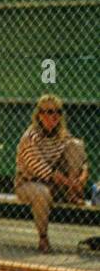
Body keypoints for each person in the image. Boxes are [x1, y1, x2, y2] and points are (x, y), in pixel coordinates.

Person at [15, 94, 89, 253]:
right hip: (29, 182)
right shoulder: (30, 137)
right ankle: (43, 237)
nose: (54, 116)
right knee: (42, 193)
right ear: (39, 115)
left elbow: (81, 158)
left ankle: (72, 193)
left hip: (57, 184)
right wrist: (70, 183)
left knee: (75, 144)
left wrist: (82, 175)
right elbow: (43, 170)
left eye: (58, 111)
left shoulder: (61, 133)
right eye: (48, 112)